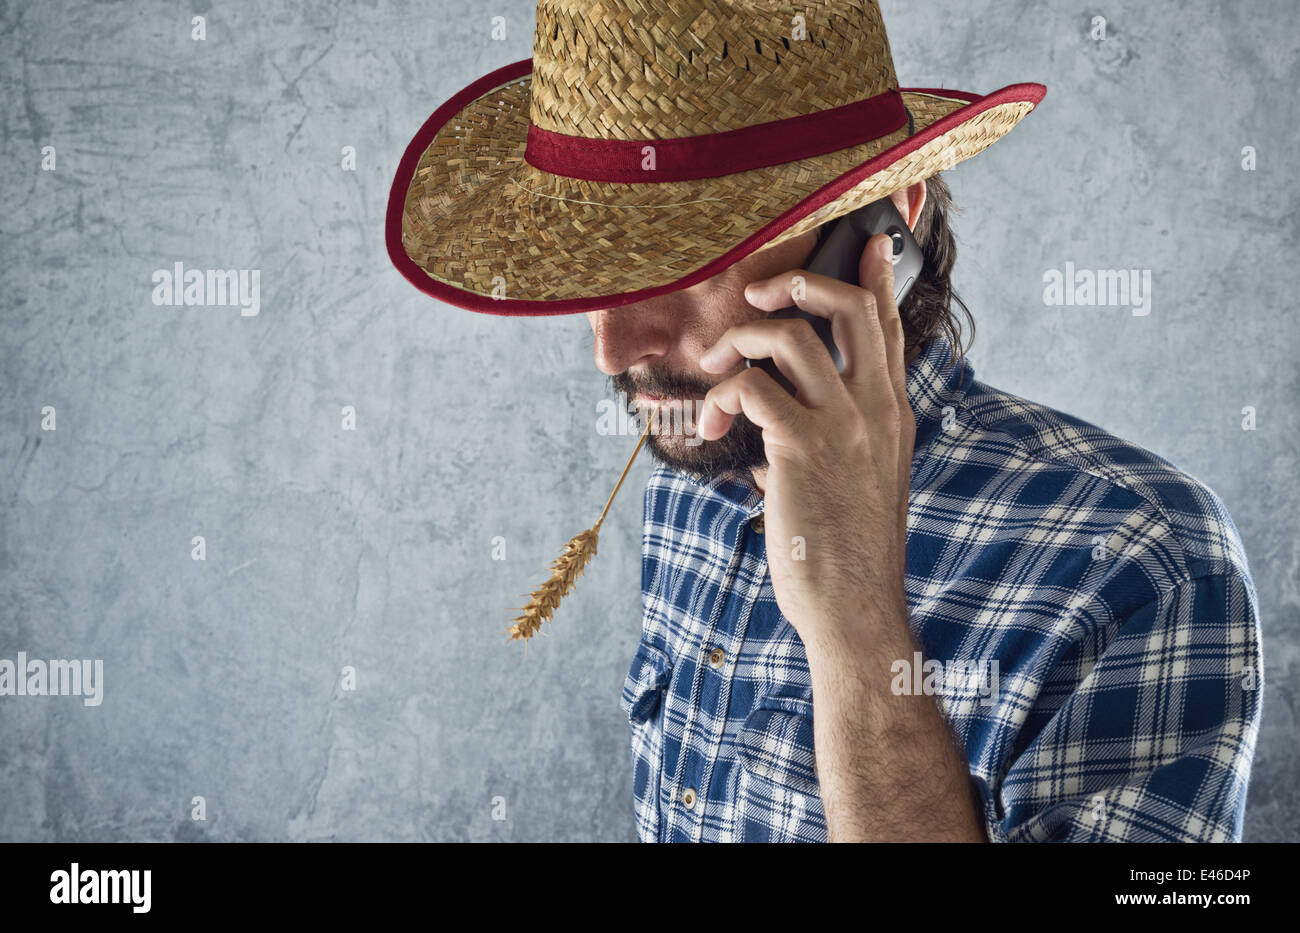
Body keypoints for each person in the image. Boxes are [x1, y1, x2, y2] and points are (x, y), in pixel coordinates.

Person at [388, 0, 1262, 842]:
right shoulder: (696, 482)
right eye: (599, 268)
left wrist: (856, 629)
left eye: (692, 260)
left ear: (882, 230)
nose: (614, 350)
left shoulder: (1145, 563)